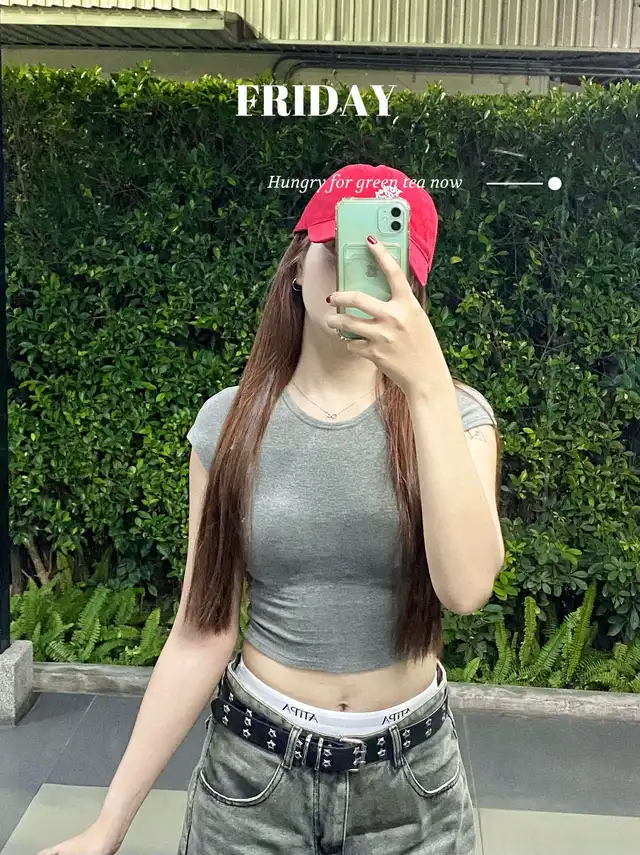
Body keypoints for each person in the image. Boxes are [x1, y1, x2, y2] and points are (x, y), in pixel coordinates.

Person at [39, 163, 504, 855]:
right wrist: (107, 828)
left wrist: (428, 385)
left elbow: (466, 589)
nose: (355, 277)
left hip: (413, 790)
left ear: (415, 289)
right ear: (297, 264)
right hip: (255, 780)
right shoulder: (229, 423)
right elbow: (201, 632)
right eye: (339, 249)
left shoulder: (457, 416)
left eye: (386, 261)